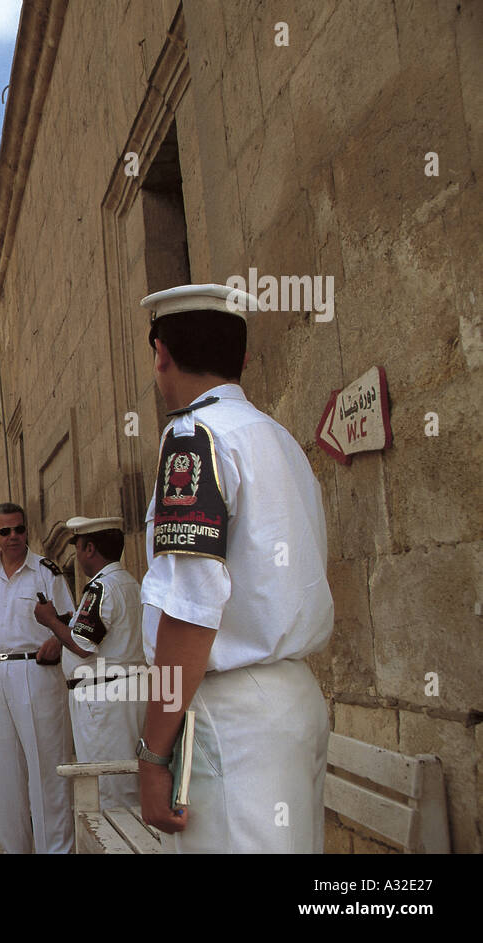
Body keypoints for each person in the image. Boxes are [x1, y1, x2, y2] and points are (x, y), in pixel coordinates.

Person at [137, 283, 332, 853]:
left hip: (231, 715)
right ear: (242, 360)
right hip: (293, 699)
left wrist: (152, 755)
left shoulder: (193, 438)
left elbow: (190, 613)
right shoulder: (280, 440)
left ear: (162, 354)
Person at [0, 502, 77, 854]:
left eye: (18, 529)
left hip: (35, 673)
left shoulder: (46, 573)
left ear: (26, 531)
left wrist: (55, 640)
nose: (13, 537)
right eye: (4, 531)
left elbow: (70, 624)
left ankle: (56, 849)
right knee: (3, 772)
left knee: (46, 770)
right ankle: (15, 848)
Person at [38, 516, 146, 810]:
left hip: (104, 698)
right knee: (125, 781)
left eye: (79, 546)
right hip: (125, 690)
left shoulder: (100, 588)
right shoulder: (130, 583)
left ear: (89, 549)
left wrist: (50, 621)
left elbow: (83, 646)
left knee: (108, 786)